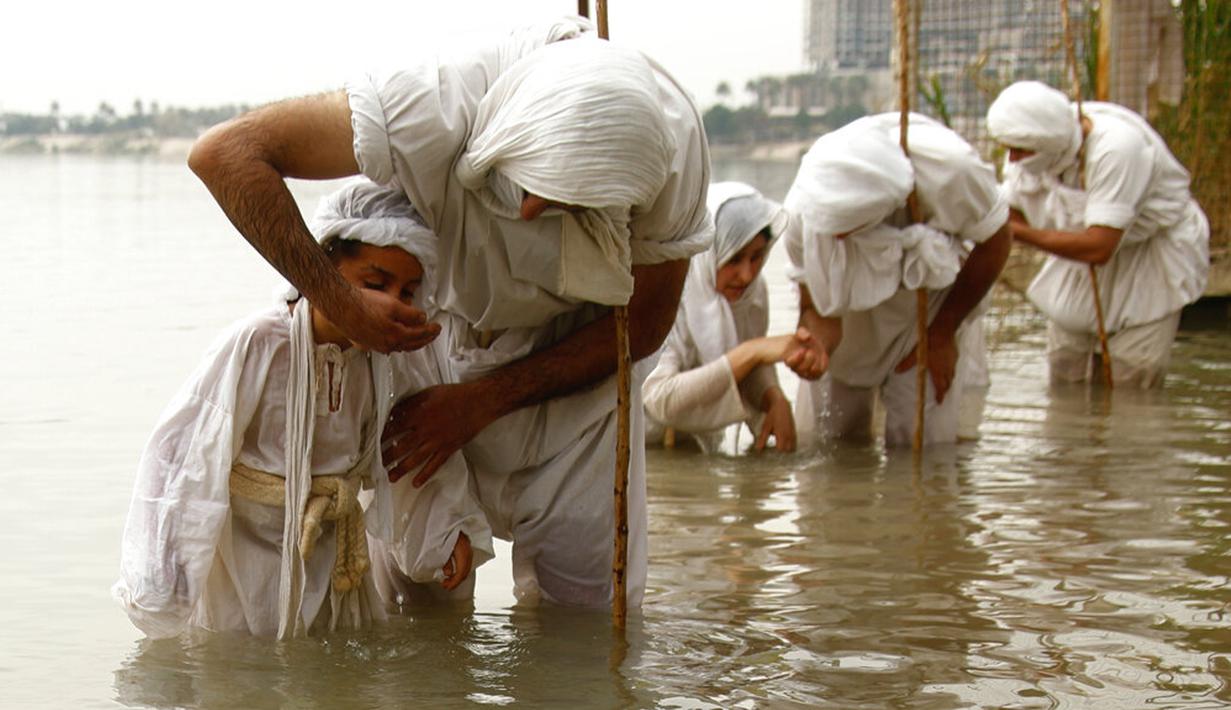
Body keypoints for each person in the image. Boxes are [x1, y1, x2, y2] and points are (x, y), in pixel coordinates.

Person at [185, 17, 712, 607]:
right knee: (421, 595)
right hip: (432, 338)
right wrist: (343, 303)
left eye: (566, 206)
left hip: (583, 368)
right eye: (528, 186)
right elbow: (226, 154)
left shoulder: (677, 151)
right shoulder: (433, 102)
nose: (532, 212)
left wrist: (484, 401)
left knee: (581, 620)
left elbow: (645, 323)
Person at [113, 180, 492, 639]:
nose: (390, 304)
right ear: (321, 272)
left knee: (334, 662)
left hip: (334, 558)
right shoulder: (259, 343)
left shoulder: (390, 357)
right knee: (241, 664)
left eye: (406, 293)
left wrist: (446, 529)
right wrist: (162, 582)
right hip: (246, 562)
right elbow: (183, 457)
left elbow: (412, 449)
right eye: (374, 285)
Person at [783, 113, 1011, 447]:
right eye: (832, 232)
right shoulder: (800, 214)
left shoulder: (952, 171)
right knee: (829, 442)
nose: (838, 237)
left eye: (848, 230)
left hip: (930, 305)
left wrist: (942, 333)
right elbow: (816, 309)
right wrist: (817, 346)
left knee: (922, 445)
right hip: (849, 308)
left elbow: (997, 241)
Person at [987, 81, 1210, 388]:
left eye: (1020, 151)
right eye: (1008, 148)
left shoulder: (1117, 150)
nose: (1012, 159)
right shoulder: (1030, 147)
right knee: (1065, 370)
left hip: (1147, 257)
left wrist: (1015, 233)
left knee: (1131, 378)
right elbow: (1014, 207)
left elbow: (1099, 247)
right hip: (1075, 255)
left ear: (1050, 143)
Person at [642, 181, 804, 453]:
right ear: (709, 253)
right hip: (644, 449)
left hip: (699, 444)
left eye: (757, 257)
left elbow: (751, 362)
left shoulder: (752, 293)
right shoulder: (668, 292)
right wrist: (751, 352)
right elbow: (659, 398)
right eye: (734, 259)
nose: (747, 275)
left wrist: (773, 397)